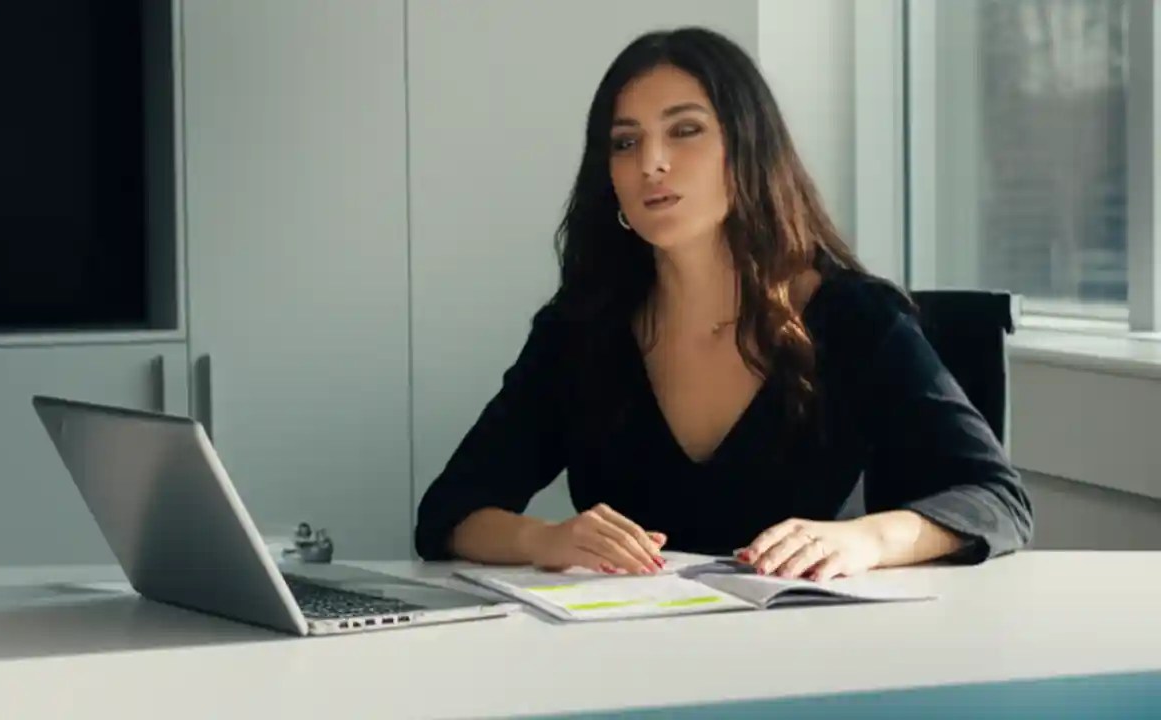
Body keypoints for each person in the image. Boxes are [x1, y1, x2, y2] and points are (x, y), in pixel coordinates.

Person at [414, 27, 1033, 582]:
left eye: (684, 131)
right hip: (625, 663)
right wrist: (545, 539)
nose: (651, 163)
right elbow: (449, 514)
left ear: (748, 150)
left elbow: (996, 499)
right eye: (625, 143)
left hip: (810, 664)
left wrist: (865, 539)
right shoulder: (581, 330)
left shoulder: (854, 319)